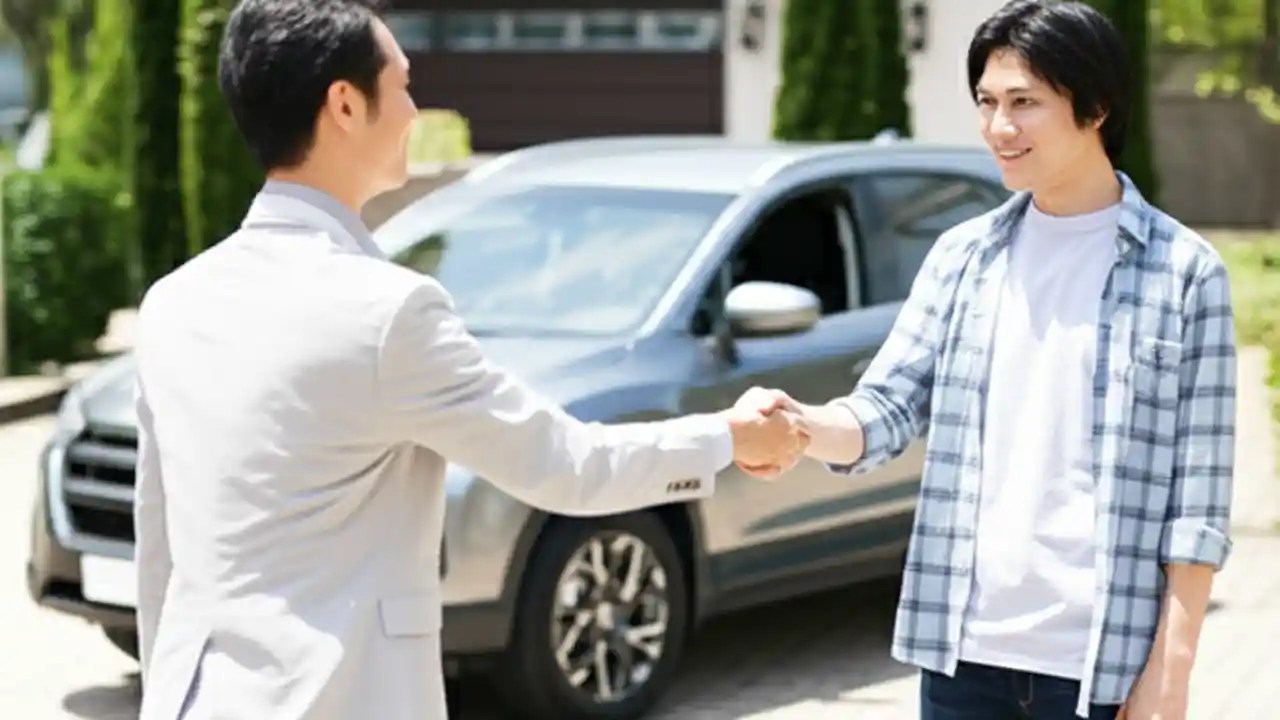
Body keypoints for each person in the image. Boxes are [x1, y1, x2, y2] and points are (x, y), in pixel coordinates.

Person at [130, 1, 807, 718]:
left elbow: (159, 545)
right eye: (403, 85)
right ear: (345, 105)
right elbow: (567, 466)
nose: (414, 110)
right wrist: (729, 438)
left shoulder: (173, 303)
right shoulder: (388, 311)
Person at [744, 2, 1236, 718]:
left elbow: (1198, 497)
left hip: (1101, 664)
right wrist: (800, 426)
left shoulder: (1185, 273)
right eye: (987, 102)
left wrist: (1173, 667)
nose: (999, 127)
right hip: (964, 659)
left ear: (1096, 107)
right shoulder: (963, 258)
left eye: (1024, 103)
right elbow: (886, 408)